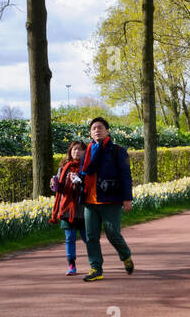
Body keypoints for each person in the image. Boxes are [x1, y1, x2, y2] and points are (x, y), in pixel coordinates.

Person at [80, 117, 135, 282]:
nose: (97, 130)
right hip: (90, 201)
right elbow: (83, 173)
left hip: (110, 199)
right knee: (91, 236)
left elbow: (126, 175)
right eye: (94, 128)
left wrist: (127, 198)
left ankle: (125, 256)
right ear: (90, 132)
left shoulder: (117, 150)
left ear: (107, 131)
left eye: (100, 127)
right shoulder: (87, 151)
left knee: (112, 233)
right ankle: (96, 268)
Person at [50, 139, 87, 275]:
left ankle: (95, 261)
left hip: (83, 209)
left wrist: (80, 180)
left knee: (87, 238)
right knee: (69, 238)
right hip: (66, 210)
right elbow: (58, 188)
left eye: (80, 149)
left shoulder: (87, 168)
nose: (77, 152)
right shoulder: (63, 168)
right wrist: (54, 184)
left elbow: (90, 186)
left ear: (84, 152)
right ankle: (71, 264)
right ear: (70, 152)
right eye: (74, 149)